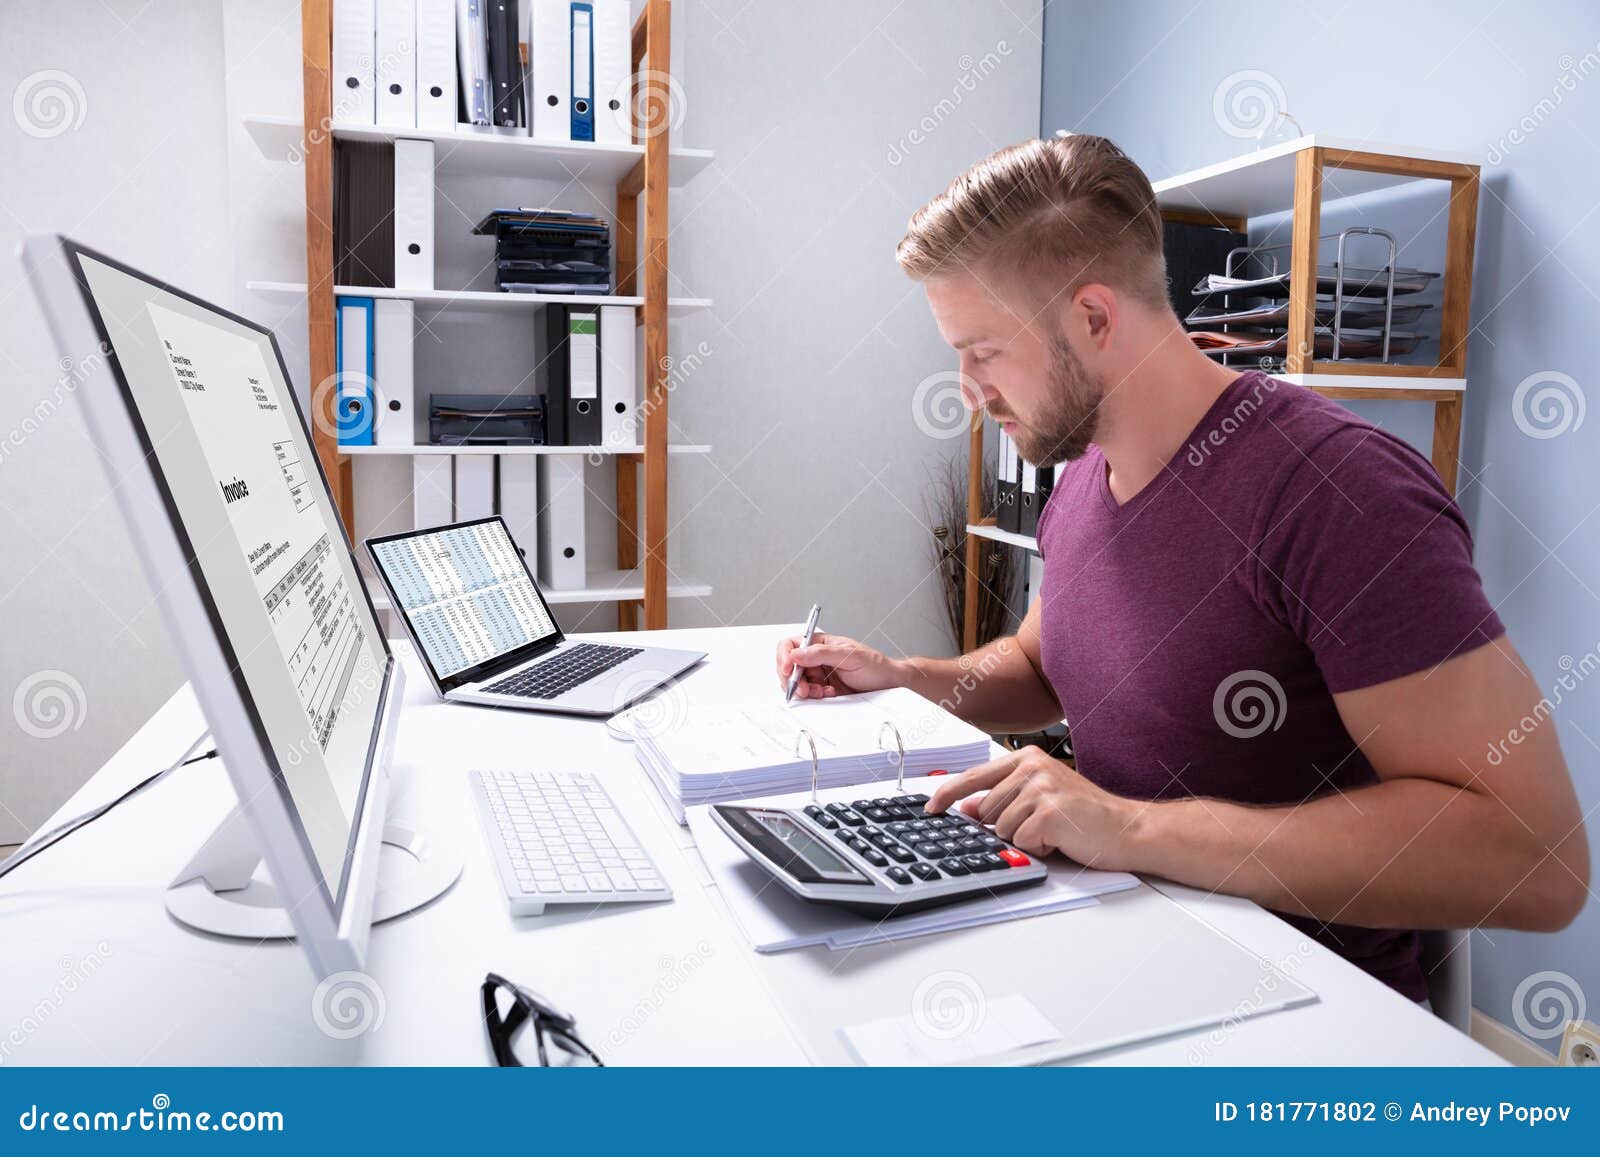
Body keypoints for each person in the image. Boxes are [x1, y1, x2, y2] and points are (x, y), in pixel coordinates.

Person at [774, 134, 1588, 1001]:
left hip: (1304, 1015)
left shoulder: (1337, 492)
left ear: (1093, 317)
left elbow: (1534, 860)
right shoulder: (1085, 473)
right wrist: (902, 679)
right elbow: (1043, 666)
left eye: (982, 352)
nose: (968, 391)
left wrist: (1132, 826)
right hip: (1129, 953)